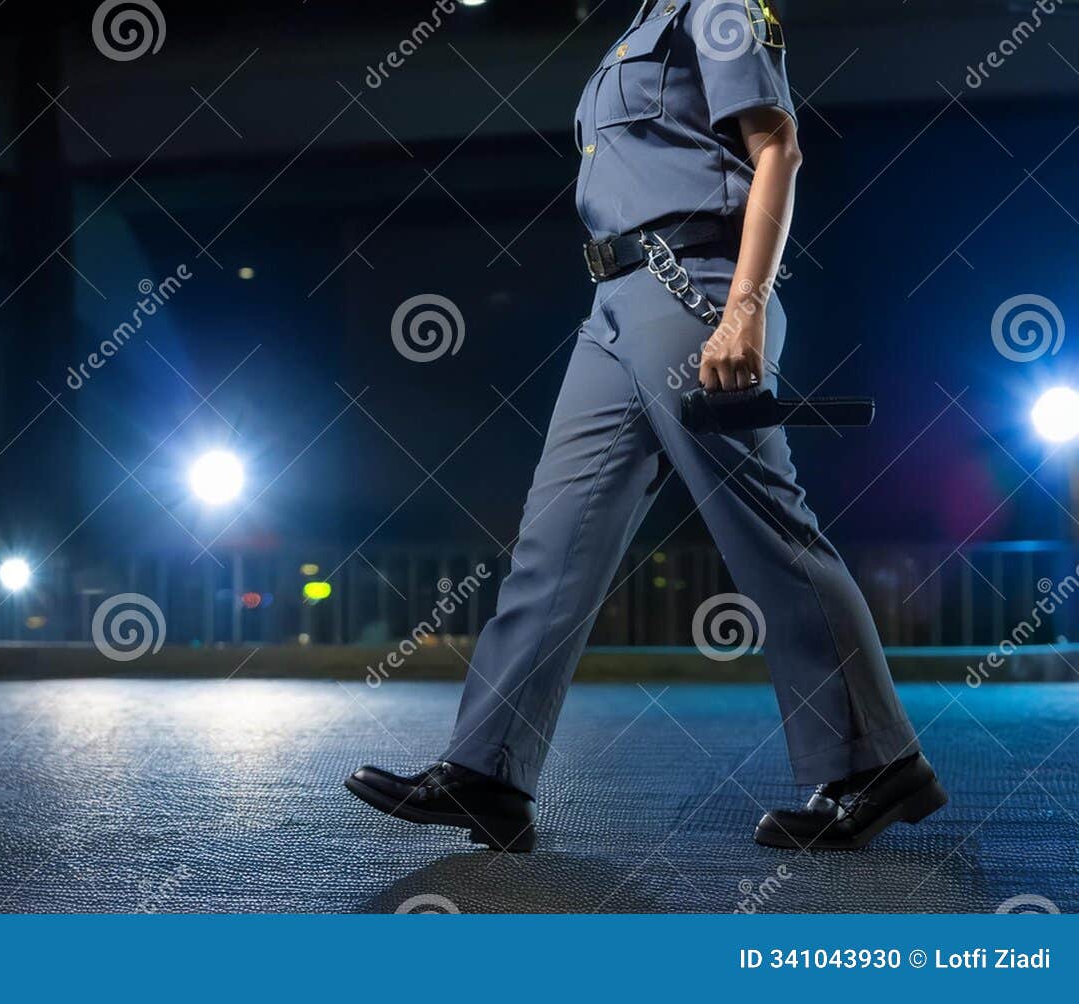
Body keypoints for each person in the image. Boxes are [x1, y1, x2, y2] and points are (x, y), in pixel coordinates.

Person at [345, 0, 946, 853]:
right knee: (555, 542)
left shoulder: (718, 5)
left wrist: (745, 310)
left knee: (768, 533)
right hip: (613, 304)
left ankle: (875, 763)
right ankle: (489, 771)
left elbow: (777, 149)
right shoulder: (635, 29)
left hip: (694, 287)